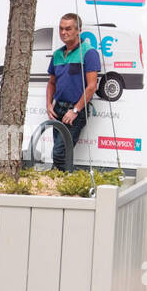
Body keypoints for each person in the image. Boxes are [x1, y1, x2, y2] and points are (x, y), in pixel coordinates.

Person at [45, 13, 101, 172]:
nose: (64, 32)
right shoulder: (57, 54)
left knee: (60, 153)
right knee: (60, 155)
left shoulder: (89, 52)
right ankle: (63, 185)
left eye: (68, 29)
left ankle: (77, 182)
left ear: (79, 30)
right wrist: (49, 104)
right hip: (58, 110)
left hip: (75, 111)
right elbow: (51, 82)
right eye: (61, 29)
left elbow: (91, 87)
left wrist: (76, 110)